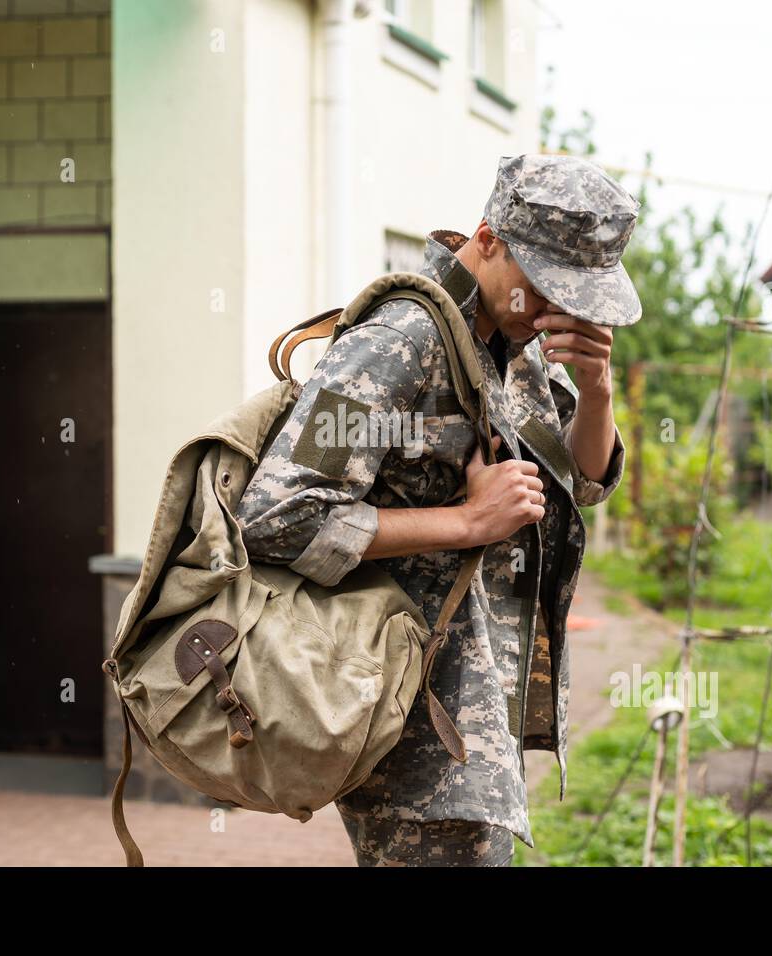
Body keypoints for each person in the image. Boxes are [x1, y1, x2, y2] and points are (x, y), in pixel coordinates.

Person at [235, 154, 642, 866]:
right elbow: (274, 514)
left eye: (577, 296)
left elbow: (585, 479)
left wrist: (597, 386)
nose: (555, 310)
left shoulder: (507, 340)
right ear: (488, 238)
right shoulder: (400, 340)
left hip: (478, 716)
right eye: (545, 285)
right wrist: (466, 523)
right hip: (413, 727)